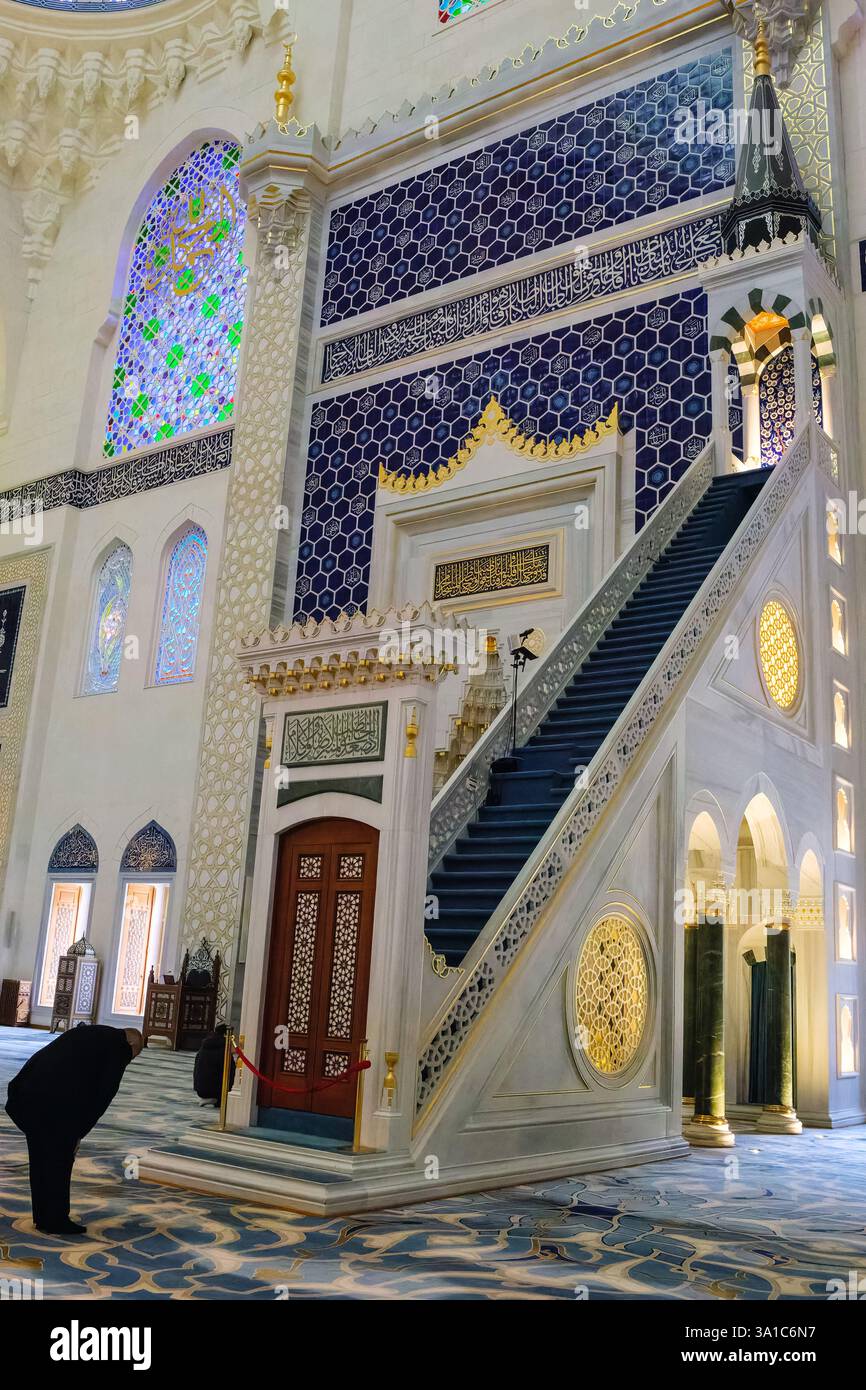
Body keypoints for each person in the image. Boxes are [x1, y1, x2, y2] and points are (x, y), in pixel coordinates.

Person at [4, 1023, 143, 1236]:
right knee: (59, 1160)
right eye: (134, 1055)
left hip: (26, 1093)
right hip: (53, 1104)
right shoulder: (119, 1048)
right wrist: (79, 1133)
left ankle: (43, 1217)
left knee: (41, 1159)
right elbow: (104, 1095)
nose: (130, 1060)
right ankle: (55, 1220)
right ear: (132, 1043)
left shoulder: (91, 1032)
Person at [193, 1024, 235, 1104]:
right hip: (215, 1091)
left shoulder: (205, 1045)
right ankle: (216, 1100)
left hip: (200, 1089)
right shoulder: (224, 1048)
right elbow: (231, 1071)